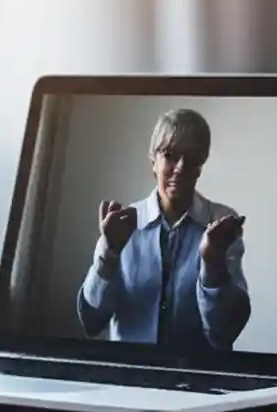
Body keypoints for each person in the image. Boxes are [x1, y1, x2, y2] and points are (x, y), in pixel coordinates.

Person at [76, 109, 250, 353]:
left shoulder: (220, 225)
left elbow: (225, 332)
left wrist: (213, 264)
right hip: (130, 377)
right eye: (169, 155)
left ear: (200, 166)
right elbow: (92, 322)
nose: (180, 167)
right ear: (153, 163)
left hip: (198, 380)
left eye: (191, 158)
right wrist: (109, 253)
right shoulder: (122, 225)